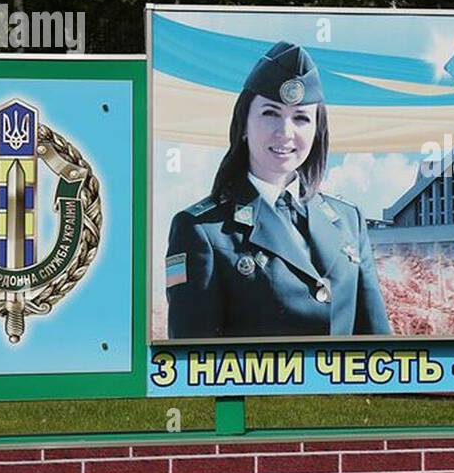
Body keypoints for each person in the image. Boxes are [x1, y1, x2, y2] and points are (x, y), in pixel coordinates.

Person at [165, 41, 392, 338]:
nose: (285, 132)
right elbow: (194, 366)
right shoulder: (202, 229)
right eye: (271, 113)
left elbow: (379, 350)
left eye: (301, 118)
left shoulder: (349, 220)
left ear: (316, 131)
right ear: (243, 124)